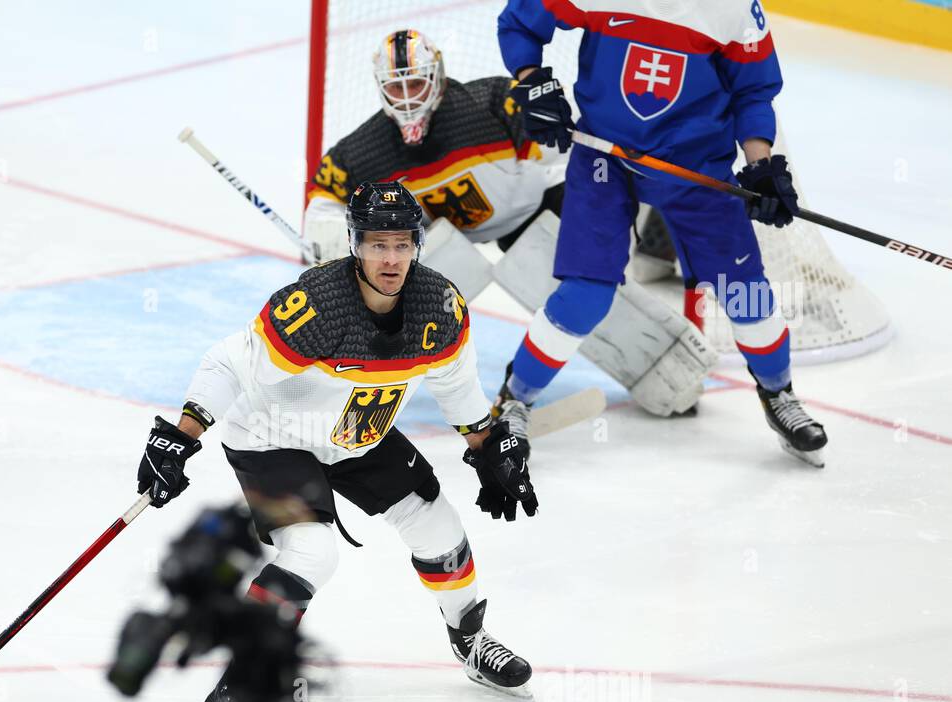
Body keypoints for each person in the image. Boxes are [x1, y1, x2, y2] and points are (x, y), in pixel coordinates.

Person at [135, 182, 539, 702]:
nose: (392, 259)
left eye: (403, 244)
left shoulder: (440, 308)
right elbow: (228, 360)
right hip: (275, 436)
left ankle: (470, 641)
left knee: (437, 525)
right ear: (355, 244)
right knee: (311, 553)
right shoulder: (315, 308)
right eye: (379, 244)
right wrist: (178, 438)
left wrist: (487, 447)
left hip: (357, 431)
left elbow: (457, 387)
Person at [304, 28, 714, 421]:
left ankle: (669, 375)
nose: (408, 98)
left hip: (528, 212)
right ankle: (361, 378)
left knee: (574, 280)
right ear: (381, 89)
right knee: (393, 281)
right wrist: (326, 238)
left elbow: (563, 158)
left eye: (417, 84)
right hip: (435, 241)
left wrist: (586, 224)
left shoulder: (493, 102)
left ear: (439, 77)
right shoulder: (362, 151)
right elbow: (324, 198)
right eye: (397, 87)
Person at [497, 0, 828, 466]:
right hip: (604, 158)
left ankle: (779, 395)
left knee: (745, 294)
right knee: (585, 294)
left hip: (696, 168)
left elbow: (753, 93)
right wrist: (530, 82)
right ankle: (514, 398)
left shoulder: (731, 8)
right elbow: (519, 21)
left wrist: (761, 166)